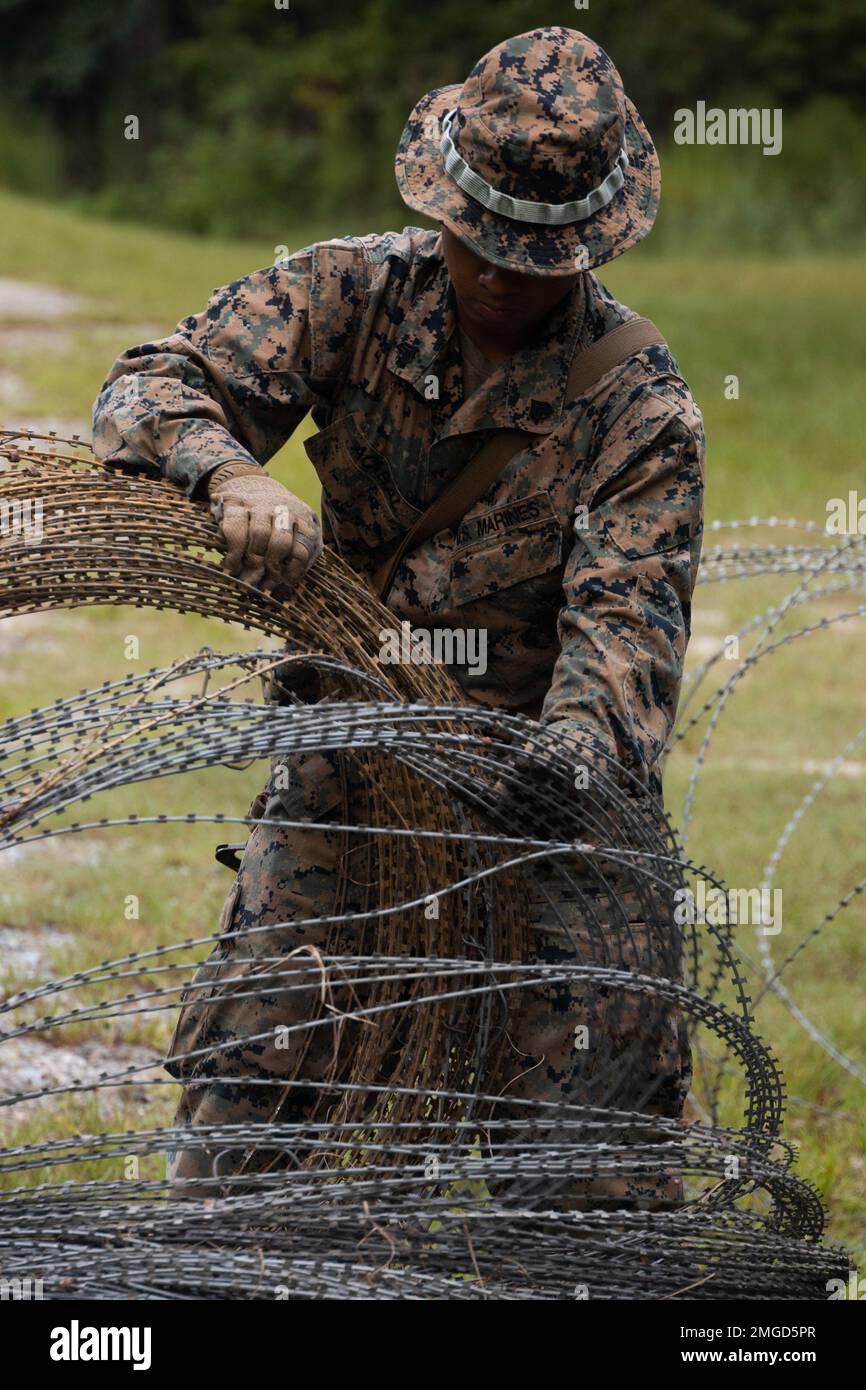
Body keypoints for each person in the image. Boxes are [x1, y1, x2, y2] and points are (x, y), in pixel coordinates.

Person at [92, 26, 705, 1201]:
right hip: (353, 759)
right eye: (481, 240)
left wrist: (558, 761)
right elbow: (147, 386)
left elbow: (625, 639)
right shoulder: (346, 293)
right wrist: (233, 474)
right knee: (252, 1114)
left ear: (583, 244)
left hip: (539, 791)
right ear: (444, 203)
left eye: (534, 254)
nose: (498, 272)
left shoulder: (640, 406)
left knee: (589, 1157)